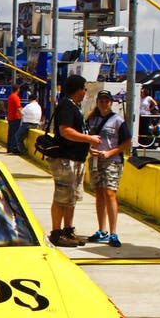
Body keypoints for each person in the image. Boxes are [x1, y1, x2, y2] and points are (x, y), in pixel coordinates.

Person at [48, 74, 102, 248]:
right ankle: (56, 232)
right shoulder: (66, 106)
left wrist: (87, 145)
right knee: (62, 196)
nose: (85, 92)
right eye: (84, 89)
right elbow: (65, 131)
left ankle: (68, 229)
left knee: (71, 198)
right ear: (77, 90)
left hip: (76, 158)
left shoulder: (74, 106)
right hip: (66, 159)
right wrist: (89, 139)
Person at [86, 90, 132, 247]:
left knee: (110, 193)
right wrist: (90, 149)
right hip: (95, 160)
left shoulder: (117, 120)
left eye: (106, 101)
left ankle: (113, 232)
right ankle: (102, 230)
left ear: (111, 103)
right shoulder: (91, 119)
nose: (104, 103)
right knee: (99, 193)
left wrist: (110, 153)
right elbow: (86, 138)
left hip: (112, 161)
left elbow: (127, 142)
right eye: (101, 101)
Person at [7, 83, 22, 152]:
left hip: (10, 117)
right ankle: (13, 148)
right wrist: (22, 116)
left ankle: (9, 148)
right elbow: (18, 108)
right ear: (18, 89)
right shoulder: (16, 97)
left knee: (10, 133)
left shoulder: (10, 96)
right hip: (15, 117)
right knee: (15, 133)